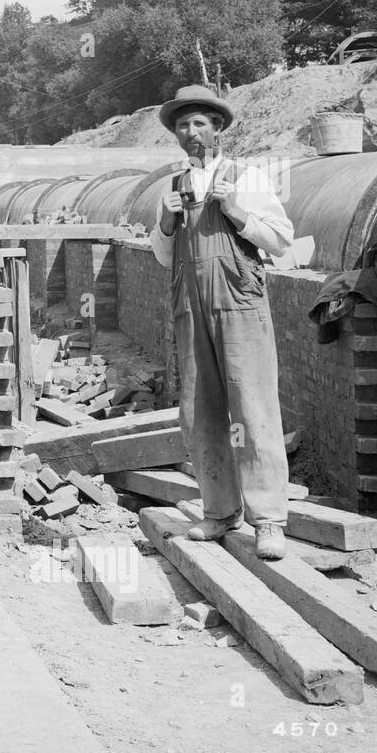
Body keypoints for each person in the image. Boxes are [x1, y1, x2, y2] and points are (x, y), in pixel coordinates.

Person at [148, 86, 294, 560]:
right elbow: (163, 255)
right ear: (176, 136)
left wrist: (235, 213)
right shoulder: (172, 189)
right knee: (199, 410)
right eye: (183, 126)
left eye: (200, 124)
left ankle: (269, 521)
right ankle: (218, 511)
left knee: (253, 409)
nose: (192, 134)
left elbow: (280, 241)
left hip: (240, 305)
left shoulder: (246, 178)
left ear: (219, 129)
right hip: (191, 309)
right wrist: (167, 224)